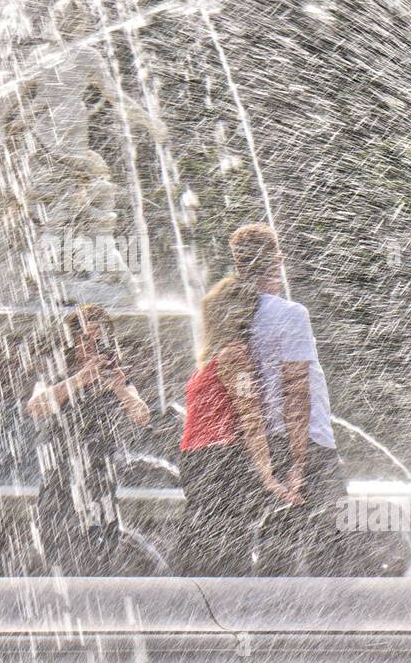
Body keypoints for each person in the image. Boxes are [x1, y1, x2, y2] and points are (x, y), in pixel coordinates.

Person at [230, 223, 348, 575]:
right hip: (305, 443)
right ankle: (332, 624)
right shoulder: (291, 314)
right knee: (336, 546)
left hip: (267, 442)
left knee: (277, 550)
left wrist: (266, 459)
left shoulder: (237, 317)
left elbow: (242, 390)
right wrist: (299, 465)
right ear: (276, 261)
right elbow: (296, 390)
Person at [178, 276, 297, 575]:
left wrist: (266, 471)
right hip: (202, 459)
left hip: (220, 461)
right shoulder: (219, 357)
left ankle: (228, 607)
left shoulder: (234, 357)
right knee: (204, 545)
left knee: (216, 548)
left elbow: (251, 414)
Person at [26, 304, 149, 574]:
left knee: (100, 563)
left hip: (100, 486)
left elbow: (142, 415)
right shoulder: (58, 374)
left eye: (100, 338)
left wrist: (121, 389)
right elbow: (35, 406)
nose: (93, 345)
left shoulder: (114, 377)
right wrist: (80, 379)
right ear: (73, 344)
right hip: (60, 487)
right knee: (60, 563)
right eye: (86, 339)